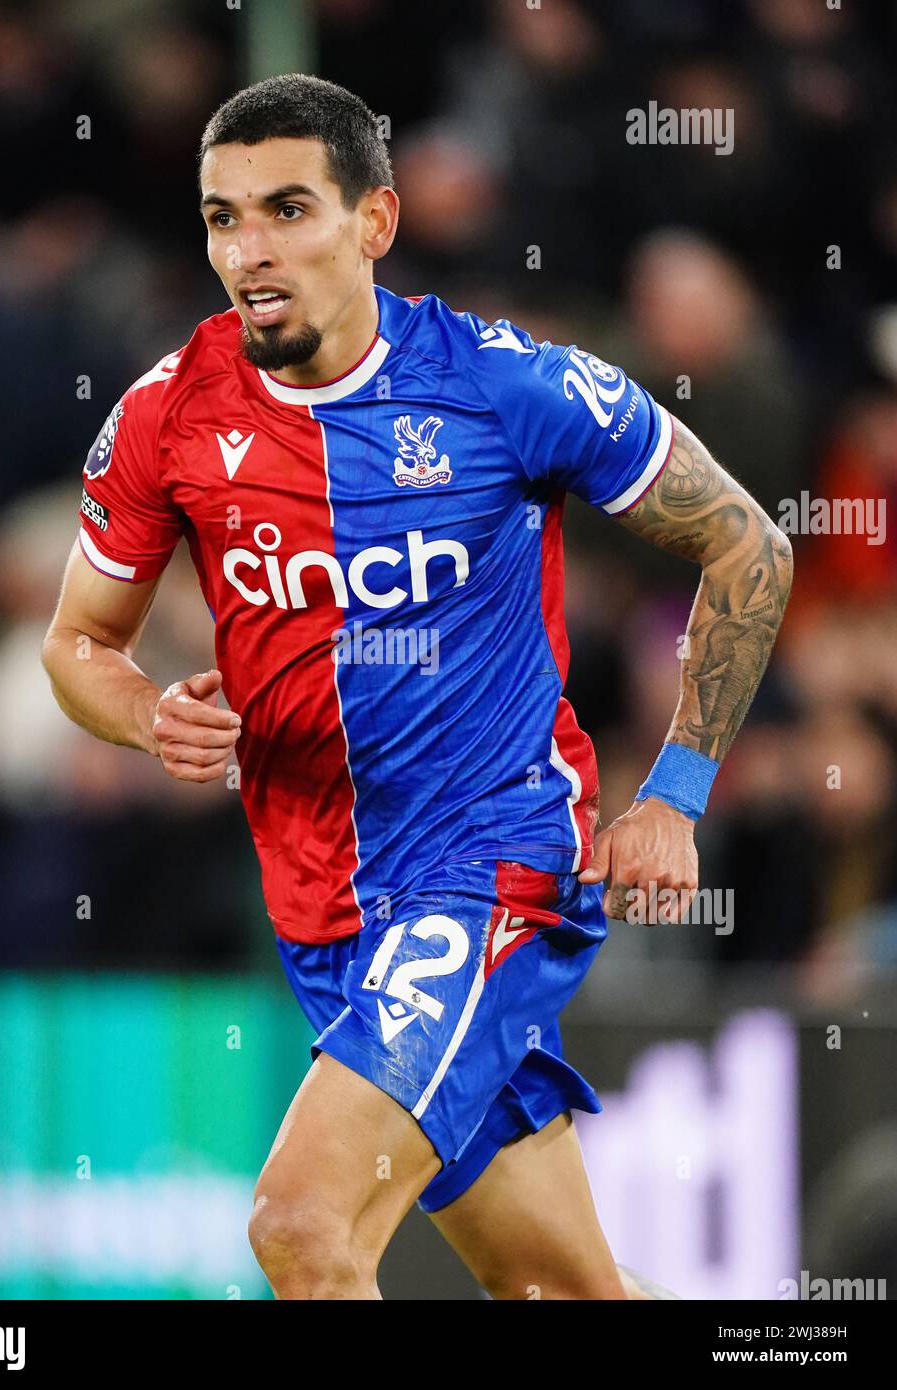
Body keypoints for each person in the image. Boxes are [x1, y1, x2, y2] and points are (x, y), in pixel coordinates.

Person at [41, 74, 793, 1300]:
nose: (251, 250)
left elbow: (750, 543)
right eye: (223, 218)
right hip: (322, 906)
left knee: (299, 1225)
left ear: (376, 222)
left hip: (488, 867)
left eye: (289, 209)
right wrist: (142, 712)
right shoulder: (167, 416)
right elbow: (76, 644)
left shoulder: (507, 388)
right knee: (563, 1292)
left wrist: (678, 791)